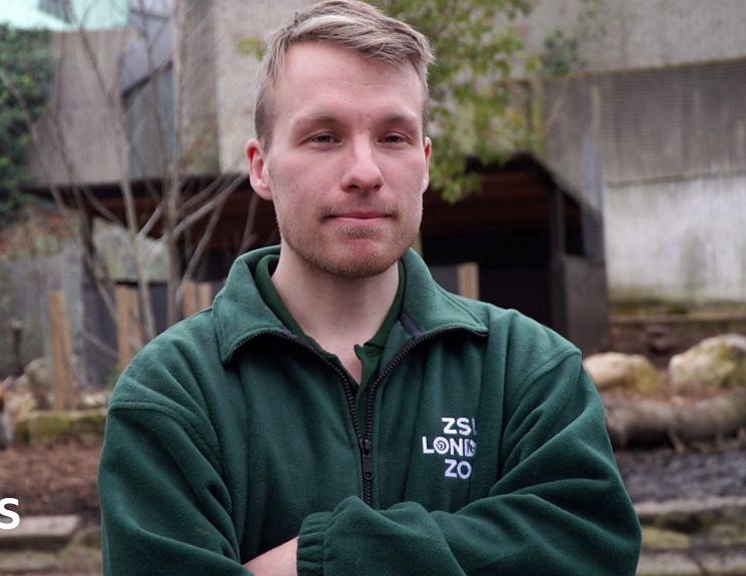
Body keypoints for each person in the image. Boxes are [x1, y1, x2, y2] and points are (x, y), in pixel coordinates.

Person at [98, 1, 642, 574]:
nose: (365, 171)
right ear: (261, 167)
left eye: (393, 137)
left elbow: (589, 546)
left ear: (425, 163)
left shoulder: (526, 370)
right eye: (324, 137)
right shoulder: (173, 393)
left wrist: (323, 559)